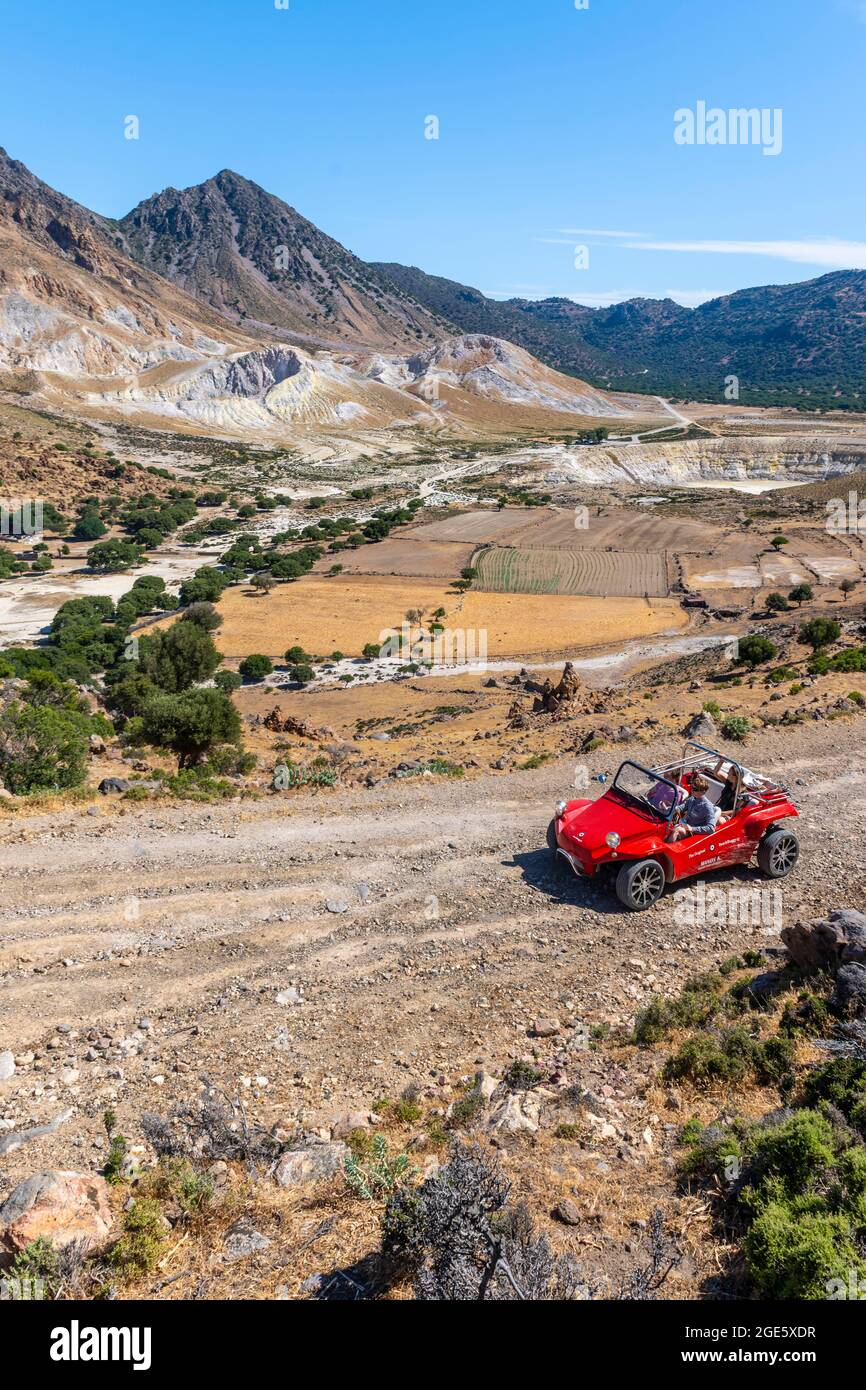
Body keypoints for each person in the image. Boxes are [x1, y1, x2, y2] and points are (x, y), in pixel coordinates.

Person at [671, 772, 717, 839]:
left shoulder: (707, 806)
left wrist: (693, 829)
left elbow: (711, 828)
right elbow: (681, 807)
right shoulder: (692, 799)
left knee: (676, 830)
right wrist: (671, 808)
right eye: (692, 788)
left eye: (695, 789)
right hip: (685, 826)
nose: (692, 791)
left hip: (694, 834)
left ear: (703, 792)